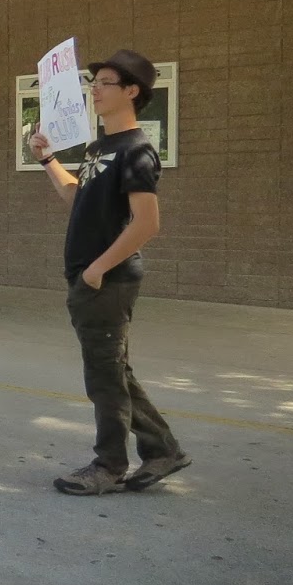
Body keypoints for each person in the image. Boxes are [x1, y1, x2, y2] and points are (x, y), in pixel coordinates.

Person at [30, 49, 188, 496]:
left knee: (103, 378)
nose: (94, 91)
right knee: (113, 370)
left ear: (132, 92)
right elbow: (77, 198)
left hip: (107, 281)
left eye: (104, 83)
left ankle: (109, 465)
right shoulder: (101, 147)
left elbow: (147, 223)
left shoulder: (136, 150)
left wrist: (97, 270)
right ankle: (162, 450)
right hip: (90, 277)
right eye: (92, 83)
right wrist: (47, 160)